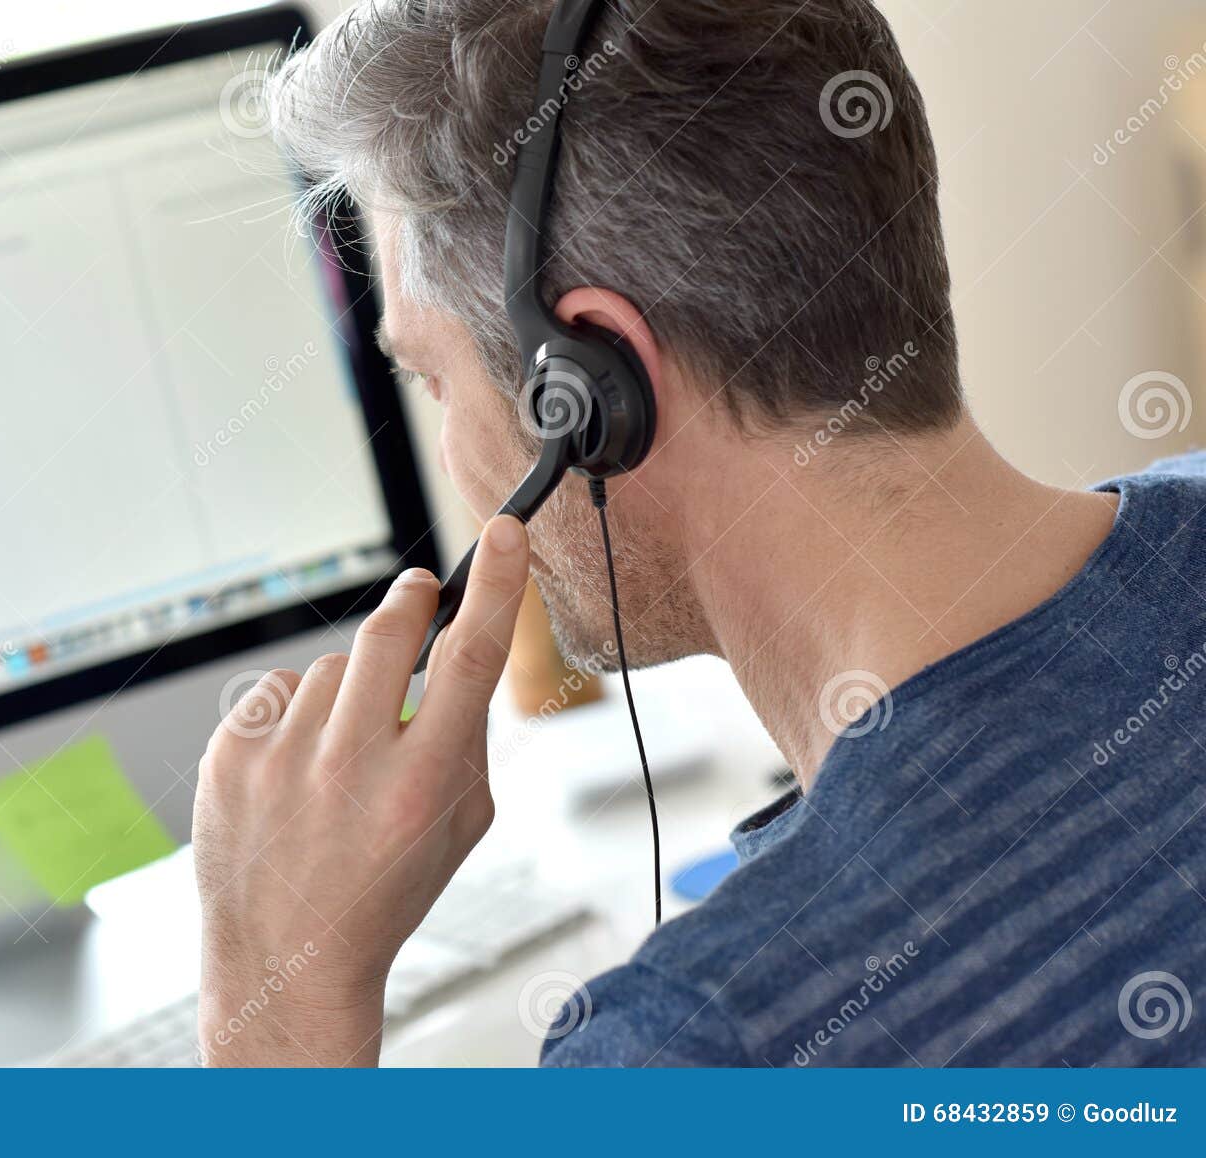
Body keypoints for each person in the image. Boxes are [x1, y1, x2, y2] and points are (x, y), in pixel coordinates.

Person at [191, 0, 1206, 1066]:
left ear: (586, 389)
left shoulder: (709, 1049)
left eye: (431, 378)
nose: (453, 459)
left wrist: (274, 990)